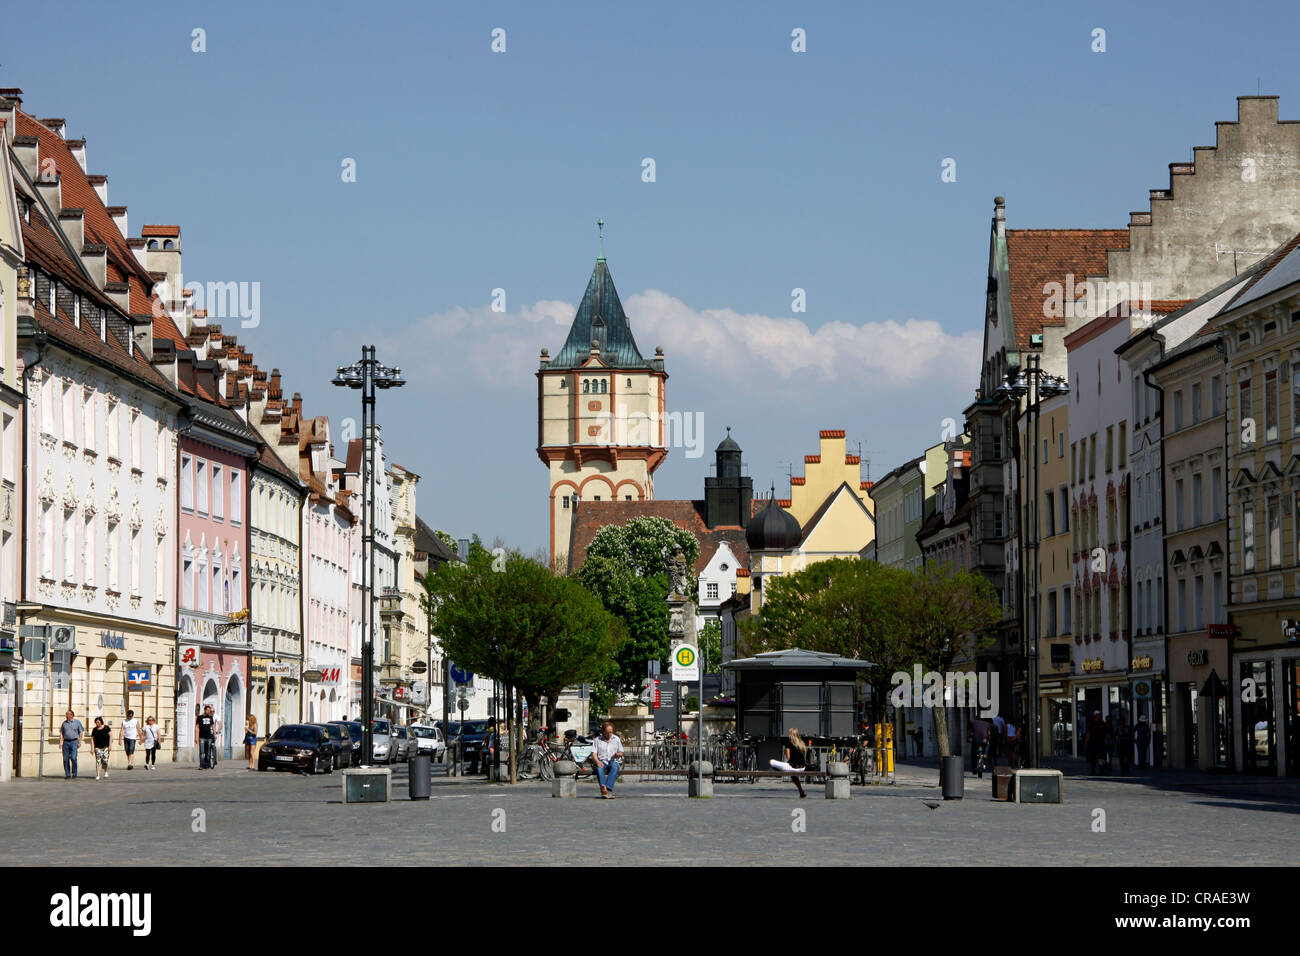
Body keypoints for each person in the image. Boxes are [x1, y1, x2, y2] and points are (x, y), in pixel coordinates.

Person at [769, 727, 809, 798]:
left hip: (793, 767)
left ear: (791, 735)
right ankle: (801, 792)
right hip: (802, 768)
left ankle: (779, 774)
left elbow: (788, 757)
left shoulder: (789, 743)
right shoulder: (802, 743)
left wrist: (786, 751)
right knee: (793, 776)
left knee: (771, 761)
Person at [592, 721, 624, 799]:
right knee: (599, 768)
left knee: (615, 766)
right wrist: (597, 762)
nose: (610, 734)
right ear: (603, 732)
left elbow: (621, 752)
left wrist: (618, 754)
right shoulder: (597, 740)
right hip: (602, 761)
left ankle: (606, 788)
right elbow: (594, 753)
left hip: (613, 760)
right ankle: (604, 789)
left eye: (611, 732)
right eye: (608, 732)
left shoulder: (616, 739)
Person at [60, 709, 84, 779]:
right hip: (66, 742)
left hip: (74, 742)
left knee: (73, 758)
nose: (67, 716)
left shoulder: (77, 722)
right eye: (66, 714)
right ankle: (67, 774)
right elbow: (61, 733)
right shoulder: (64, 723)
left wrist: (79, 742)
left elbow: (81, 733)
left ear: (72, 715)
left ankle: (74, 772)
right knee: (65, 759)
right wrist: (60, 742)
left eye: (68, 714)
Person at [196, 704, 219, 769]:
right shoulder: (200, 717)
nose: (209, 712)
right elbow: (197, 727)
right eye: (208, 710)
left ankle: (207, 764)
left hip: (209, 737)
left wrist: (214, 734)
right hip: (202, 737)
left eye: (210, 710)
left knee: (208, 752)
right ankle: (201, 765)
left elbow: (213, 726)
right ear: (205, 710)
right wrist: (196, 737)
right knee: (202, 752)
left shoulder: (210, 717)